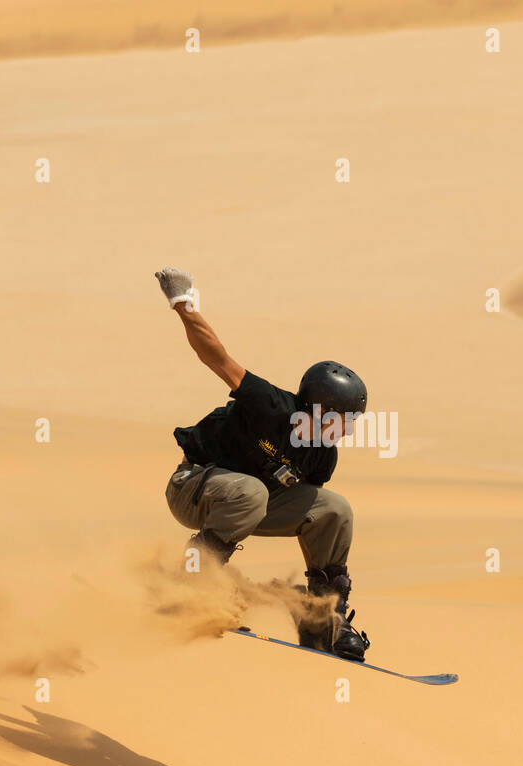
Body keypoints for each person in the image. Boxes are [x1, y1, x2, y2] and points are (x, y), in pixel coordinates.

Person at [156, 267, 371, 661]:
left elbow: (314, 527)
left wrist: (320, 594)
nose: (348, 430)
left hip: (249, 503)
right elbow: (215, 357)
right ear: (318, 410)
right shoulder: (270, 406)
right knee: (251, 491)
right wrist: (183, 305)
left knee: (334, 510)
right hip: (193, 486)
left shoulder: (323, 452)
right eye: (343, 420)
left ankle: (323, 620)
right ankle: (190, 583)